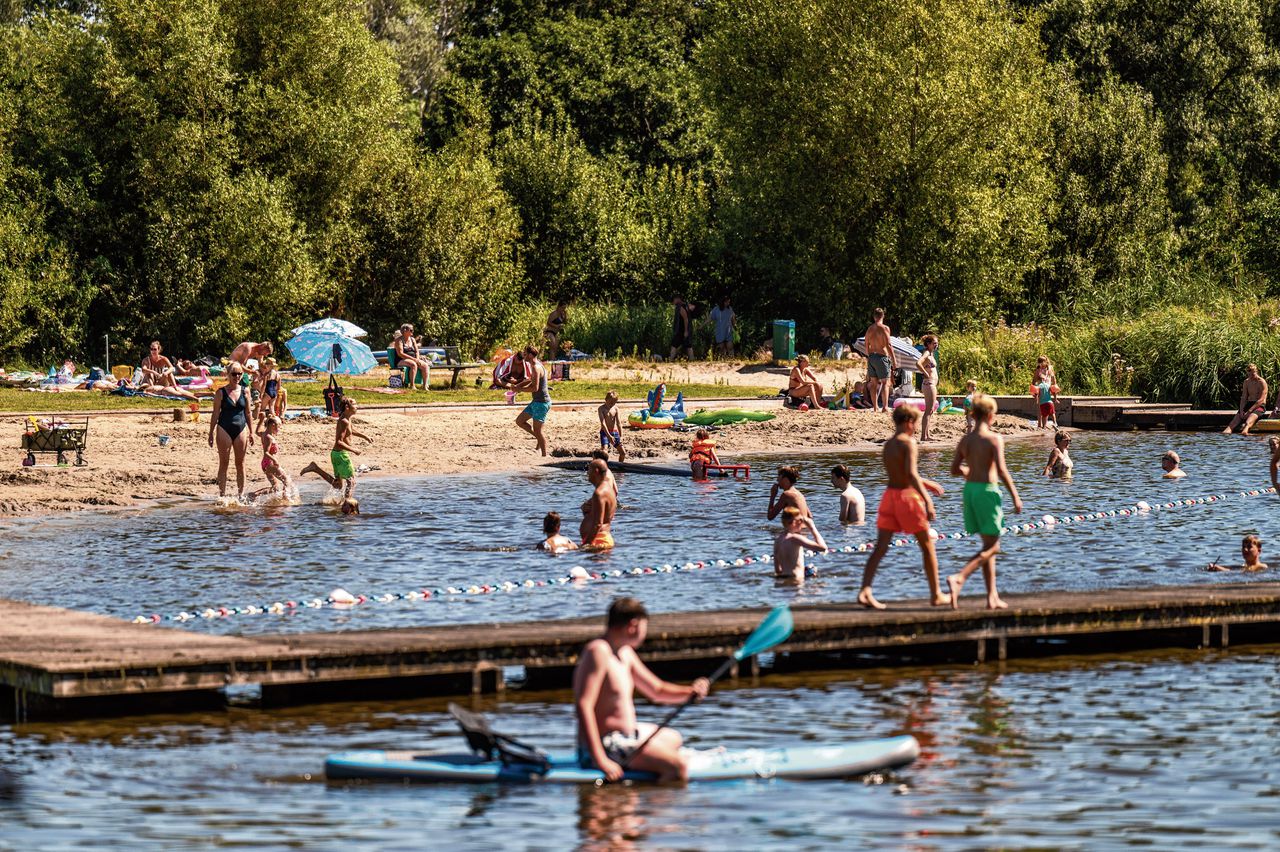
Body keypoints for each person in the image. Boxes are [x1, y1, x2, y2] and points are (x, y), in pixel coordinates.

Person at [573, 598, 710, 784]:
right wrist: (600, 760)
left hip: (628, 735)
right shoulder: (598, 652)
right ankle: (649, 808)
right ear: (633, 625)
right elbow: (584, 705)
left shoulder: (625, 652)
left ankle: (650, 762)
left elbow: (656, 690)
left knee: (674, 738)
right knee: (678, 768)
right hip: (608, 745)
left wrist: (690, 692)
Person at [857, 405, 949, 610]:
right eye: (915, 423)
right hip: (907, 498)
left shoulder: (889, 444)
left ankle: (865, 590)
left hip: (889, 497)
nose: (915, 428)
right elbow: (911, 474)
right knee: (927, 546)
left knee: (880, 548)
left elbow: (899, 473)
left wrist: (928, 484)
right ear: (908, 422)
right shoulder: (908, 442)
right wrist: (927, 499)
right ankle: (936, 594)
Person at [947, 393, 1023, 610]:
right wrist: (1015, 496)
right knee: (994, 546)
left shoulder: (966, 440)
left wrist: (968, 472)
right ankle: (959, 578)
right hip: (987, 492)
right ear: (990, 416)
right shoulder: (994, 439)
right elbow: (1001, 470)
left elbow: (953, 470)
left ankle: (992, 597)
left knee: (987, 544)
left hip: (970, 491)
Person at [300, 397, 372, 499]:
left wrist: (365, 437)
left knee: (338, 485)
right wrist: (354, 450)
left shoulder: (347, 418)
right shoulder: (344, 421)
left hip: (336, 454)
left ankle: (315, 468)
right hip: (341, 454)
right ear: (347, 407)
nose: (357, 406)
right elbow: (338, 442)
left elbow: (351, 430)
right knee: (351, 481)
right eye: (355, 404)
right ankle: (347, 504)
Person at [208, 363, 254, 500]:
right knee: (224, 463)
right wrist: (210, 433)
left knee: (240, 463)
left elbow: (248, 413)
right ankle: (222, 495)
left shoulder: (246, 391)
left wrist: (251, 432)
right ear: (228, 375)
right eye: (234, 374)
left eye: (240, 374)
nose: (237, 376)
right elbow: (215, 414)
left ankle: (241, 496)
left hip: (241, 428)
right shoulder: (220, 392)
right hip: (224, 428)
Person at [512, 346, 551, 456]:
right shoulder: (536, 365)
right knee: (520, 421)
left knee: (538, 431)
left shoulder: (536, 367)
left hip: (542, 403)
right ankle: (539, 439)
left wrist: (519, 389)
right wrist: (518, 386)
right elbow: (530, 380)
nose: (523, 356)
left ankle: (544, 455)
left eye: (525, 353)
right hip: (536, 402)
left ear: (530, 355)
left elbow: (535, 388)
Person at [773, 506, 828, 582]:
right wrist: (812, 527)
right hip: (795, 580)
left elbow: (778, 570)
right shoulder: (795, 538)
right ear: (794, 522)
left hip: (782, 580)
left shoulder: (778, 540)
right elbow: (823, 548)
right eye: (801, 520)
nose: (802, 524)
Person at [580, 458, 617, 550]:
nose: (587, 473)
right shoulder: (608, 489)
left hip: (599, 540)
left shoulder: (600, 493)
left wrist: (586, 544)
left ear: (596, 471)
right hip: (602, 537)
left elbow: (598, 524)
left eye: (589, 470)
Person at [863, 308, 894, 412]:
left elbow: (866, 343)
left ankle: (875, 407)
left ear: (874, 317)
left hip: (872, 357)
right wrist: (893, 359)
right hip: (881, 357)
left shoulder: (869, 329)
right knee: (885, 383)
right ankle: (885, 407)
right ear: (883, 316)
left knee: (873, 383)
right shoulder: (885, 328)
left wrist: (869, 355)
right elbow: (888, 344)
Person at [1223, 363, 1268, 435]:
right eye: (1249, 374)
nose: (1251, 376)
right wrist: (1241, 410)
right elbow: (1244, 398)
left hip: (1259, 405)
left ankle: (1245, 433)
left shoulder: (1262, 382)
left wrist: (1249, 411)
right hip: (1249, 403)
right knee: (1231, 426)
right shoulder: (1246, 382)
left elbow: (1261, 400)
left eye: (1253, 374)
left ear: (1256, 372)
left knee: (1247, 423)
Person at [257, 415, 292, 495]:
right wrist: (275, 460)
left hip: (265, 464)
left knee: (275, 487)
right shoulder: (269, 437)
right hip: (270, 464)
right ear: (273, 425)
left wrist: (260, 420)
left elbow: (257, 431)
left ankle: (253, 495)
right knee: (286, 480)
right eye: (279, 426)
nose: (279, 429)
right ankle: (286, 499)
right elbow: (266, 452)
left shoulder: (263, 434)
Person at [394, 323, 432, 391]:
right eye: (411, 330)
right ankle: (412, 385)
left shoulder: (412, 339)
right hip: (401, 360)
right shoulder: (398, 340)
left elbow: (417, 351)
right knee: (413, 364)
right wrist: (415, 360)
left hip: (414, 358)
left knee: (425, 365)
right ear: (405, 331)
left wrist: (417, 359)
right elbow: (400, 354)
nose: (412, 331)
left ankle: (425, 386)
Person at [916, 334, 939, 442]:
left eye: (937, 343)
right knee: (928, 410)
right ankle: (923, 436)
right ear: (928, 344)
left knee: (930, 411)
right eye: (934, 343)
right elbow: (918, 363)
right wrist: (925, 373)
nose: (936, 345)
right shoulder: (926, 353)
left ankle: (927, 435)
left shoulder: (931, 354)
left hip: (931, 384)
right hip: (928, 384)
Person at [597, 391, 625, 462]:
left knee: (623, 453)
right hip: (605, 433)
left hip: (614, 432)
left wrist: (621, 436)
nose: (612, 404)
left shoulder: (615, 409)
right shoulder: (601, 409)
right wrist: (609, 436)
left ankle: (620, 468)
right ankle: (602, 465)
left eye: (614, 403)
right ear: (606, 399)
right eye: (610, 402)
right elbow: (603, 424)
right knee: (604, 451)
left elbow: (618, 423)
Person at [668, 296, 693, 361]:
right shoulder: (686, 305)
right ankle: (692, 359)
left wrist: (685, 331)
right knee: (688, 345)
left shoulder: (680, 307)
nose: (673, 302)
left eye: (673, 300)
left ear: (678, 299)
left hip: (682, 330)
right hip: (685, 329)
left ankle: (671, 359)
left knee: (674, 344)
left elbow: (685, 319)